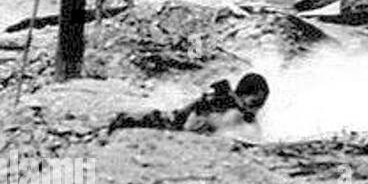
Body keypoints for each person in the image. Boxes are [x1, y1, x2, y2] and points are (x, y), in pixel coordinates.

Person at [107, 73, 270, 137]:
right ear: (243, 95)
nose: (256, 109)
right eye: (255, 103)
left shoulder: (230, 104)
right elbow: (191, 124)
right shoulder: (229, 108)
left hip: (172, 120)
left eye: (260, 104)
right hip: (170, 123)